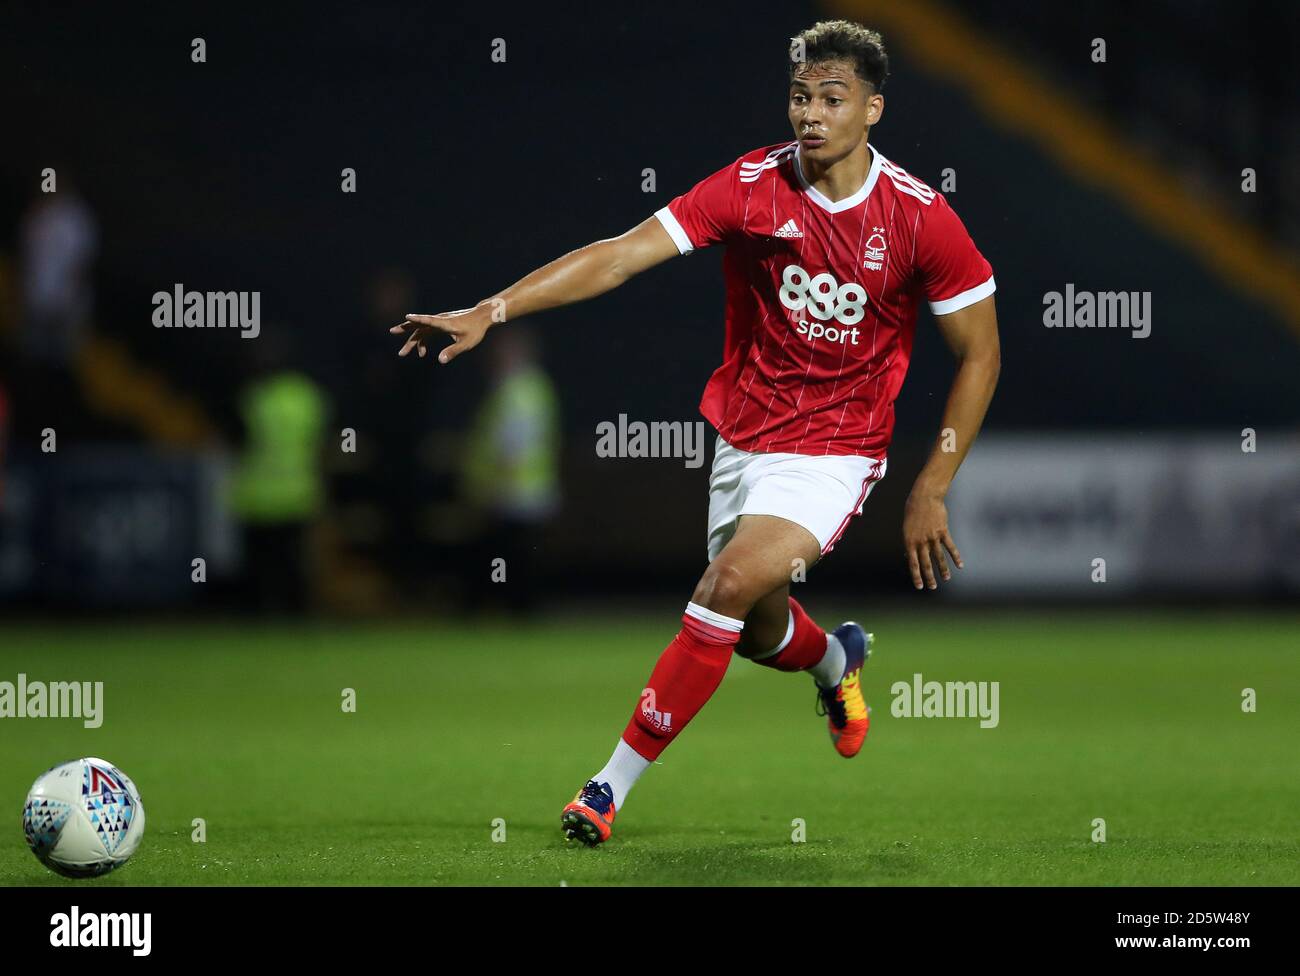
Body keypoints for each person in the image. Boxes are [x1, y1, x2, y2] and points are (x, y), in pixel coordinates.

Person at [389, 20, 1000, 846]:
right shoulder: (749, 187)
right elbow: (619, 254)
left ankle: (606, 788)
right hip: (745, 439)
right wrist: (493, 309)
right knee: (754, 626)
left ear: (873, 110)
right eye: (799, 96)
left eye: (833, 98)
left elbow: (981, 354)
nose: (811, 114)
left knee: (722, 586)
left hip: (836, 451)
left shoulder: (921, 218)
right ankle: (834, 662)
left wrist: (932, 483)